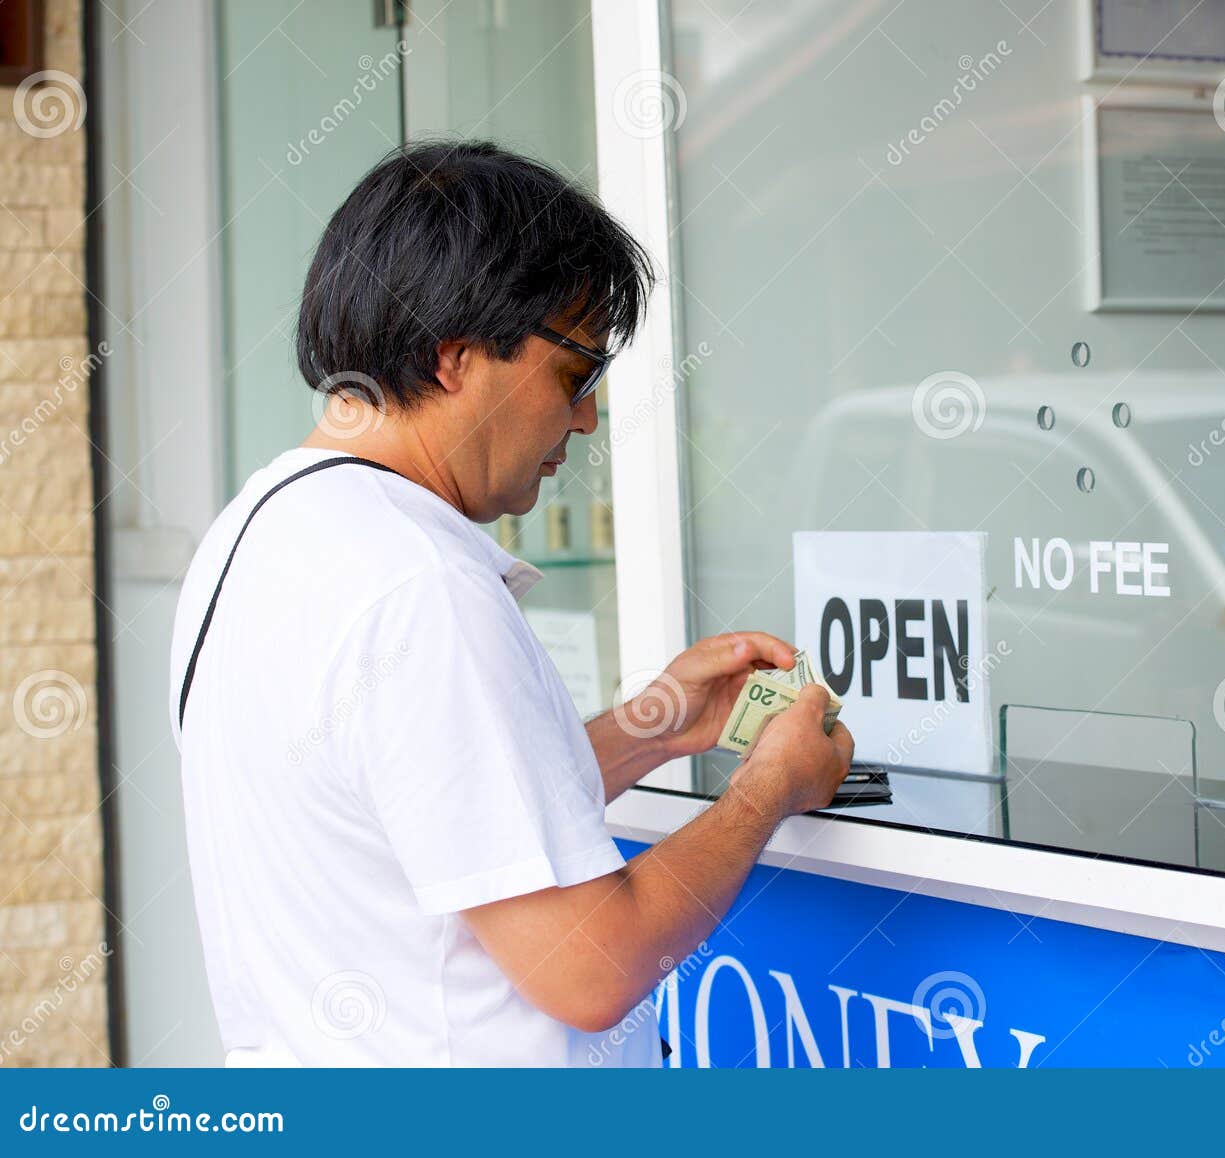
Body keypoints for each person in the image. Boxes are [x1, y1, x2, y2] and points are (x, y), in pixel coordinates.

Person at [169, 141, 853, 1066]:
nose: (585, 420)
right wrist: (772, 786)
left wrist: (658, 725)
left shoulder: (256, 535)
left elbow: (435, 816)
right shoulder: (422, 589)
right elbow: (590, 969)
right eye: (578, 375)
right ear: (454, 357)